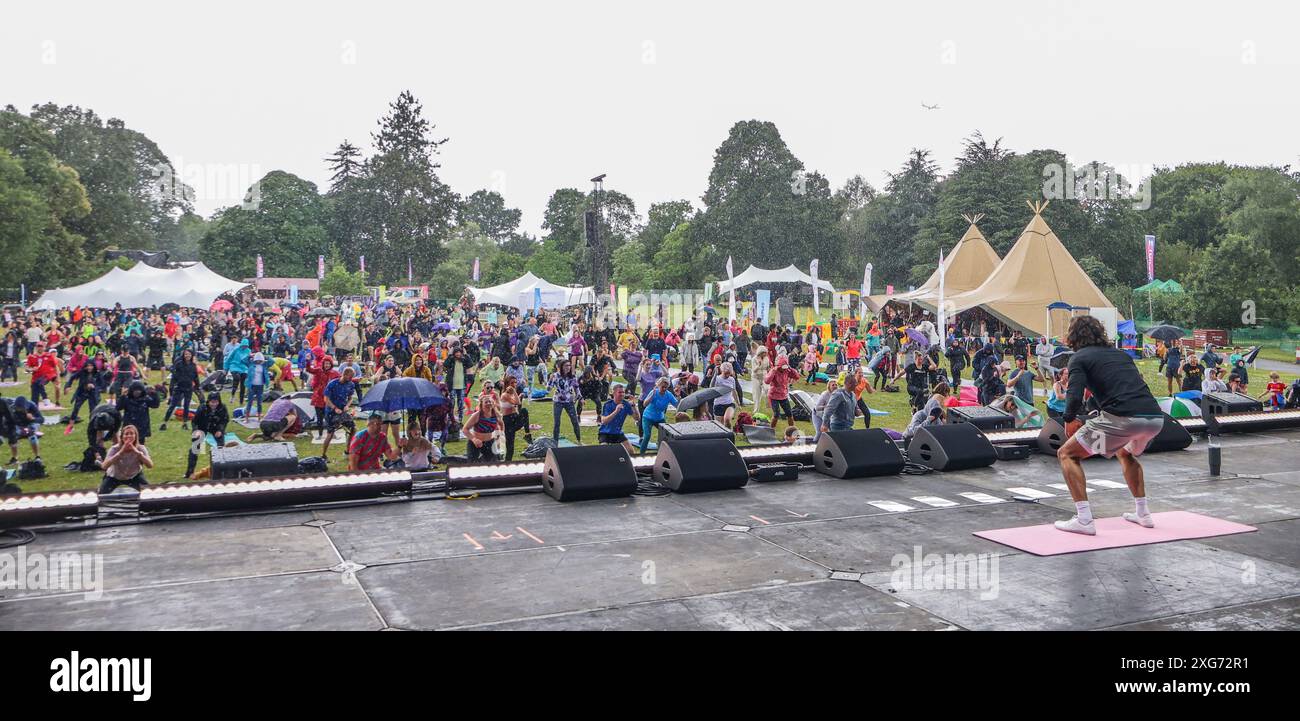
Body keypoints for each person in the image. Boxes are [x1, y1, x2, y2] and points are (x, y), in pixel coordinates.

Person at [1054, 315, 1165, 536]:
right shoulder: (1121, 354)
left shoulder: (1079, 358)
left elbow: (1073, 395)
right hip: (1154, 419)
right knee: (1125, 452)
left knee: (1067, 454)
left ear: (1074, 336)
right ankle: (1143, 514)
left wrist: (1069, 419)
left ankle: (1084, 520)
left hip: (1122, 421)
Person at [99, 425, 153, 493]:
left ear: (135, 436)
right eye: (126, 434)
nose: (129, 436)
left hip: (134, 476)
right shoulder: (114, 449)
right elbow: (104, 466)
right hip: (114, 477)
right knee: (101, 495)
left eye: (131, 434)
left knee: (148, 492)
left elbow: (150, 465)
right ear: (122, 437)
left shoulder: (141, 448)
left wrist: (137, 453)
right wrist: (120, 452)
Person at [186, 392, 229, 479]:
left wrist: (220, 430)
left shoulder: (222, 408)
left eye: (216, 402)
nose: (214, 404)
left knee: (221, 446)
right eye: (212, 402)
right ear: (208, 402)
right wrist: (196, 431)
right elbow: (194, 421)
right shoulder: (202, 408)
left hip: (215, 427)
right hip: (202, 426)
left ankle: (221, 470)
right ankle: (189, 472)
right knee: (196, 448)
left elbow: (225, 420)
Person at [320, 366, 358, 460]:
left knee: (353, 428)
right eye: (350, 376)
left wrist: (347, 405)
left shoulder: (351, 384)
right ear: (344, 374)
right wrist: (334, 408)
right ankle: (323, 455)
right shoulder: (332, 384)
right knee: (330, 434)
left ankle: (347, 451)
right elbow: (326, 399)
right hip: (331, 412)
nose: (351, 379)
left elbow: (350, 398)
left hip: (342, 411)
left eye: (352, 377)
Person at [598, 382, 640, 455]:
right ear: (614, 393)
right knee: (603, 453)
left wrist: (634, 406)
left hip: (618, 433)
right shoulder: (607, 404)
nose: (622, 394)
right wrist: (616, 411)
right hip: (605, 433)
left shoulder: (626, 404)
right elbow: (604, 421)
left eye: (623, 392)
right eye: (619, 392)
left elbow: (637, 418)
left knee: (631, 452)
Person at [638, 377, 678, 454]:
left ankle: (663, 452)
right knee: (647, 436)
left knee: (666, 435)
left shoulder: (668, 395)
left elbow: (676, 404)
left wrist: (680, 404)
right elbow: (644, 404)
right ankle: (641, 455)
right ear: (658, 385)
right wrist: (651, 396)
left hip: (659, 418)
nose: (664, 389)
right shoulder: (654, 392)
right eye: (662, 387)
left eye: (666, 387)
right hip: (648, 417)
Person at [548, 358, 581, 442]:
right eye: (566, 365)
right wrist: (550, 380)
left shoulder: (572, 376)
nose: (568, 367)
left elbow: (577, 388)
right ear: (561, 367)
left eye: (569, 365)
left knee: (575, 422)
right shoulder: (555, 375)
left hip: (569, 402)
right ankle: (555, 442)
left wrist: (579, 398)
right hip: (558, 402)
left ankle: (579, 440)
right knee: (557, 423)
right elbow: (548, 389)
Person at [462, 395, 502, 462]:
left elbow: (498, 426)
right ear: (481, 404)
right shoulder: (477, 415)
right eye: (486, 402)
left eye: (490, 401)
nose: (489, 403)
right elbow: (465, 429)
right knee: (472, 464)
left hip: (490, 442)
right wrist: (474, 439)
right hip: (475, 443)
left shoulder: (496, 415)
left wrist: (498, 439)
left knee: (492, 465)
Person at [764, 356, 799, 429]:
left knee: (789, 414)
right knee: (776, 414)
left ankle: (792, 430)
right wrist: (773, 371)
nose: (784, 369)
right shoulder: (774, 370)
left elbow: (796, 377)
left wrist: (791, 369)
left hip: (783, 395)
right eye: (782, 367)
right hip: (774, 396)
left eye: (785, 367)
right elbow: (767, 381)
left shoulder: (787, 371)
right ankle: (771, 430)